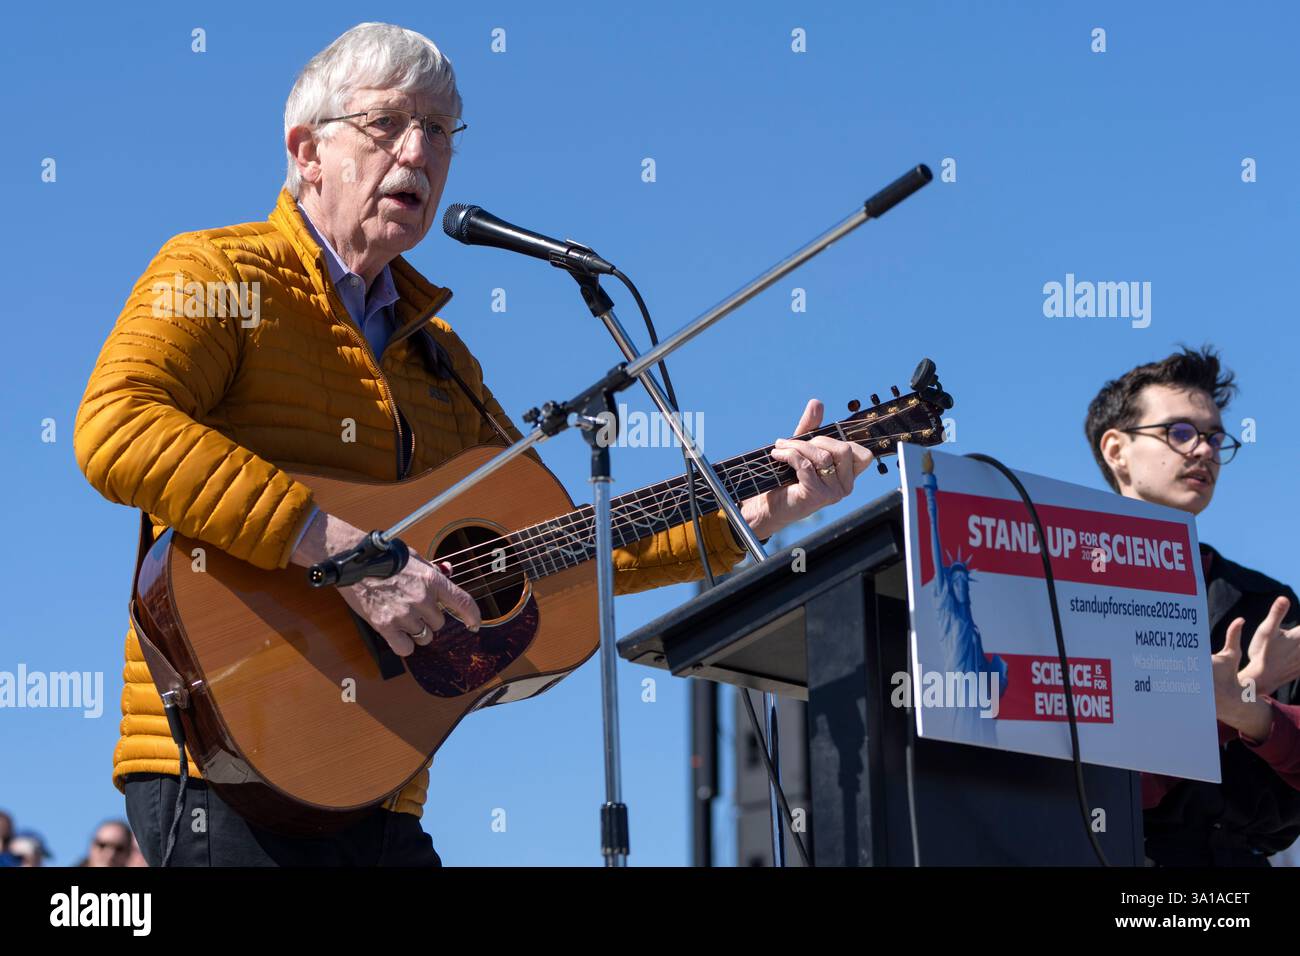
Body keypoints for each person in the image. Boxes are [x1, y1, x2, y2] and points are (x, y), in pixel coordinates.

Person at [72, 22, 873, 867]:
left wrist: (758, 510)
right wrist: (347, 555)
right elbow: (118, 426)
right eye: (389, 124)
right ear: (307, 151)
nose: (419, 152)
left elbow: (563, 547)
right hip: (221, 773)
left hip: (381, 788)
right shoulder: (218, 272)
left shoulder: (441, 356)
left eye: (442, 132)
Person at [1085, 345, 1300, 865]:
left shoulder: (1265, 605)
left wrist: (1251, 708)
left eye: (1214, 437)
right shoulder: (1060, 587)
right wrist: (1232, 708)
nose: (1203, 450)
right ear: (1117, 450)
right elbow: (1091, 784)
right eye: (1178, 433)